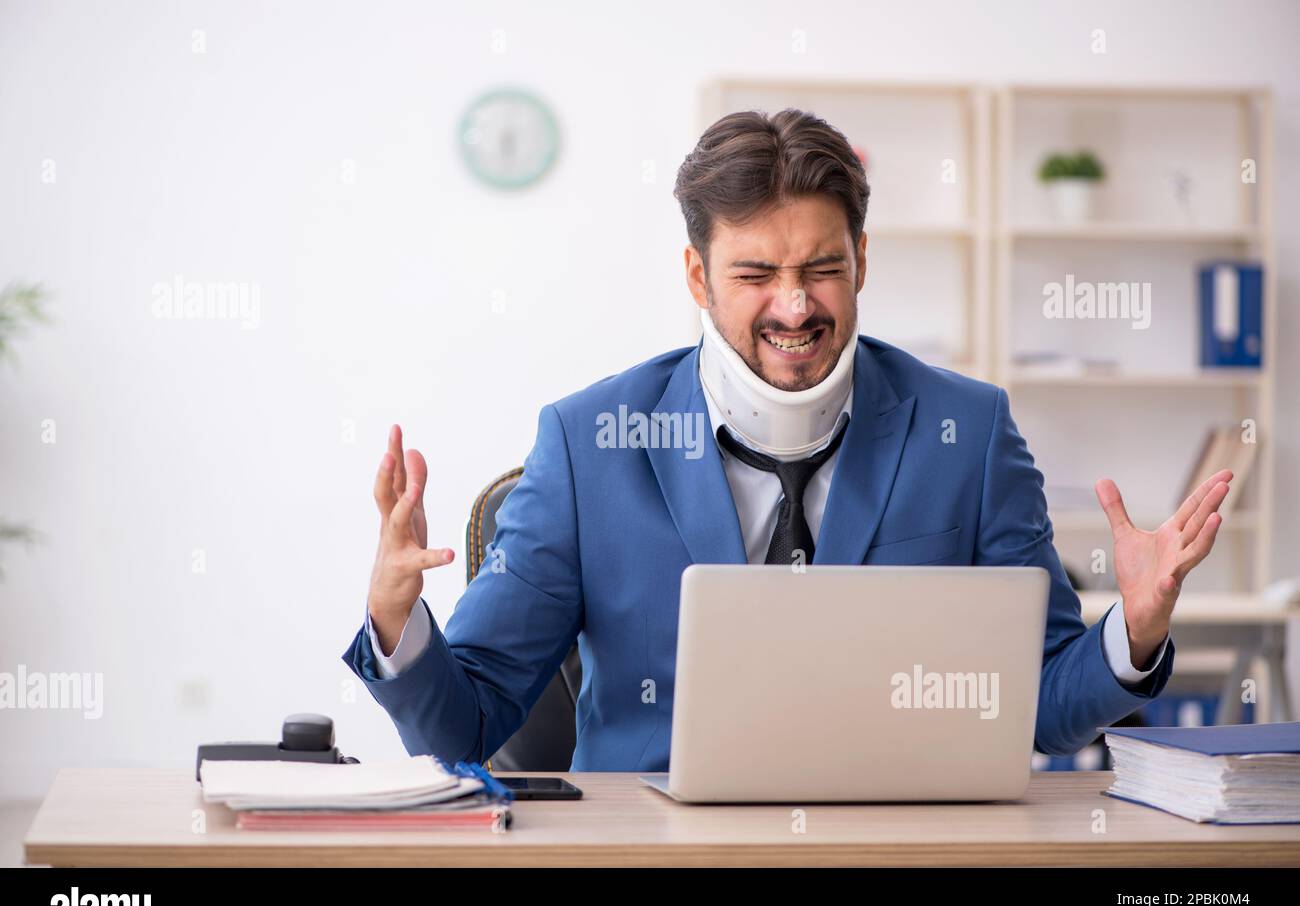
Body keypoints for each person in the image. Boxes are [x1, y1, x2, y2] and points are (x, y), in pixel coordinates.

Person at [342, 109, 1230, 770]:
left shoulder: (970, 433)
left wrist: (1133, 632)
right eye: (757, 273)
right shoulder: (588, 443)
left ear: (862, 262)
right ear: (697, 274)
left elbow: (1039, 704)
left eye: (822, 269)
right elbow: (466, 724)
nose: (796, 305)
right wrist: (394, 620)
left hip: (902, 851)